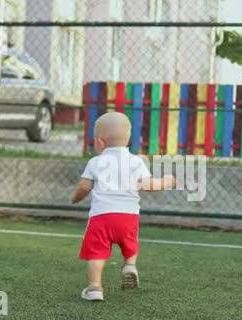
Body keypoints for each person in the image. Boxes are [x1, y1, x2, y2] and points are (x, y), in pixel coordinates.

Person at [71, 111, 175, 302]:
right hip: (128, 217)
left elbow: (84, 187)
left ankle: (95, 287)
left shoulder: (95, 162)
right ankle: (129, 265)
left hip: (101, 218)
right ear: (127, 140)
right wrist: (168, 181)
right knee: (130, 244)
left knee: (96, 253)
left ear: (100, 142)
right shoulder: (135, 161)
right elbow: (148, 185)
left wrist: (75, 198)